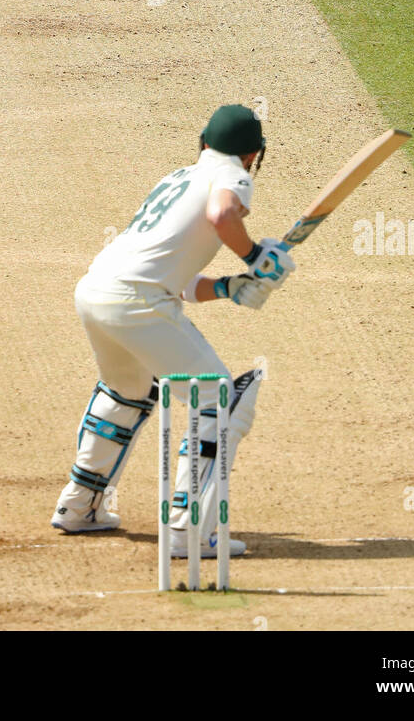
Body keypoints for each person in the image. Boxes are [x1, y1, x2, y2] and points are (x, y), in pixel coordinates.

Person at [51, 105, 295, 556]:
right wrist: (255, 257)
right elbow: (225, 217)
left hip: (95, 290)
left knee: (127, 390)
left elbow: (178, 283)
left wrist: (230, 287)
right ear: (252, 155)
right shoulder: (232, 176)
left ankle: (79, 505)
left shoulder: (178, 177)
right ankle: (187, 531)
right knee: (220, 399)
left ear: (203, 141)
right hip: (136, 303)